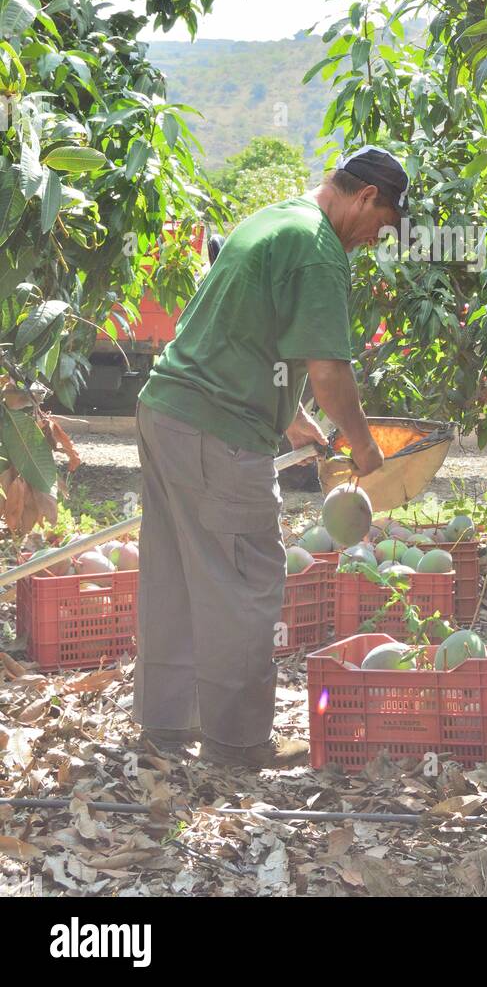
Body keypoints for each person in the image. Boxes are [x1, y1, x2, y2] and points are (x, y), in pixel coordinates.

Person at [132, 146, 409, 769]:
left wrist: (291, 417)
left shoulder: (276, 218)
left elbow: (240, 327)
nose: (373, 242)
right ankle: (236, 746)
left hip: (167, 410)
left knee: (174, 574)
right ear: (365, 197)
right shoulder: (320, 250)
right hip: (216, 429)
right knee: (244, 583)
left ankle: (164, 729)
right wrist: (366, 451)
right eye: (381, 226)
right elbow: (331, 370)